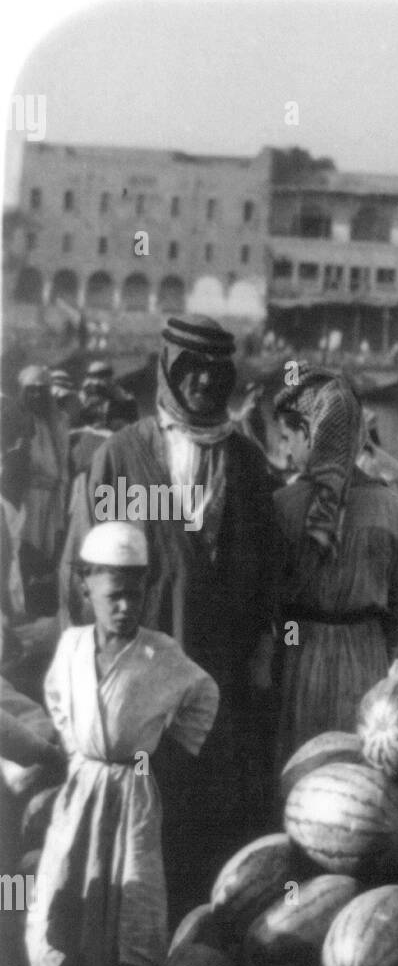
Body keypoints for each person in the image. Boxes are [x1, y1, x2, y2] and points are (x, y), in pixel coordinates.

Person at [60, 314, 278, 916]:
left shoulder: (248, 463)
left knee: (209, 817)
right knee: (138, 812)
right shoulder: (122, 457)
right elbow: (84, 574)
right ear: (169, 370)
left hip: (220, 675)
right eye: (193, 369)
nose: (206, 382)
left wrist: (261, 653)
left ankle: (194, 935)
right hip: (142, 669)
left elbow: (269, 578)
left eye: (217, 371)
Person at [24, 522, 218, 966]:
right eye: (114, 596)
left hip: (132, 790)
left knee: (130, 889)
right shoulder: (70, 646)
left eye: (134, 596)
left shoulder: (160, 655)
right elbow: (58, 697)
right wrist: (75, 747)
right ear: (86, 587)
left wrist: (170, 752)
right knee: (68, 879)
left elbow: (205, 694)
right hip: (83, 784)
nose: (125, 608)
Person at [272, 368, 398, 764]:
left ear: (311, 436)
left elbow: (266, 602)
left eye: (289, 437)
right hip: (367, 655)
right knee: (359, 777)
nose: (285, 450)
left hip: (300, 654)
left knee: (303, 773)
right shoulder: (393, 508)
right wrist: (375, 651)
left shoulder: (283, 507)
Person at [10, 366, 70, 617]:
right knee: (26, 552)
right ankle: (27, 606)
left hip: (53, 498)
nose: (36, 396)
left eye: (40, 391)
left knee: (50, 554)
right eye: (31, 391)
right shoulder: (17, 422)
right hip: (28, 498)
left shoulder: (55, 421)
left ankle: (46, 606)